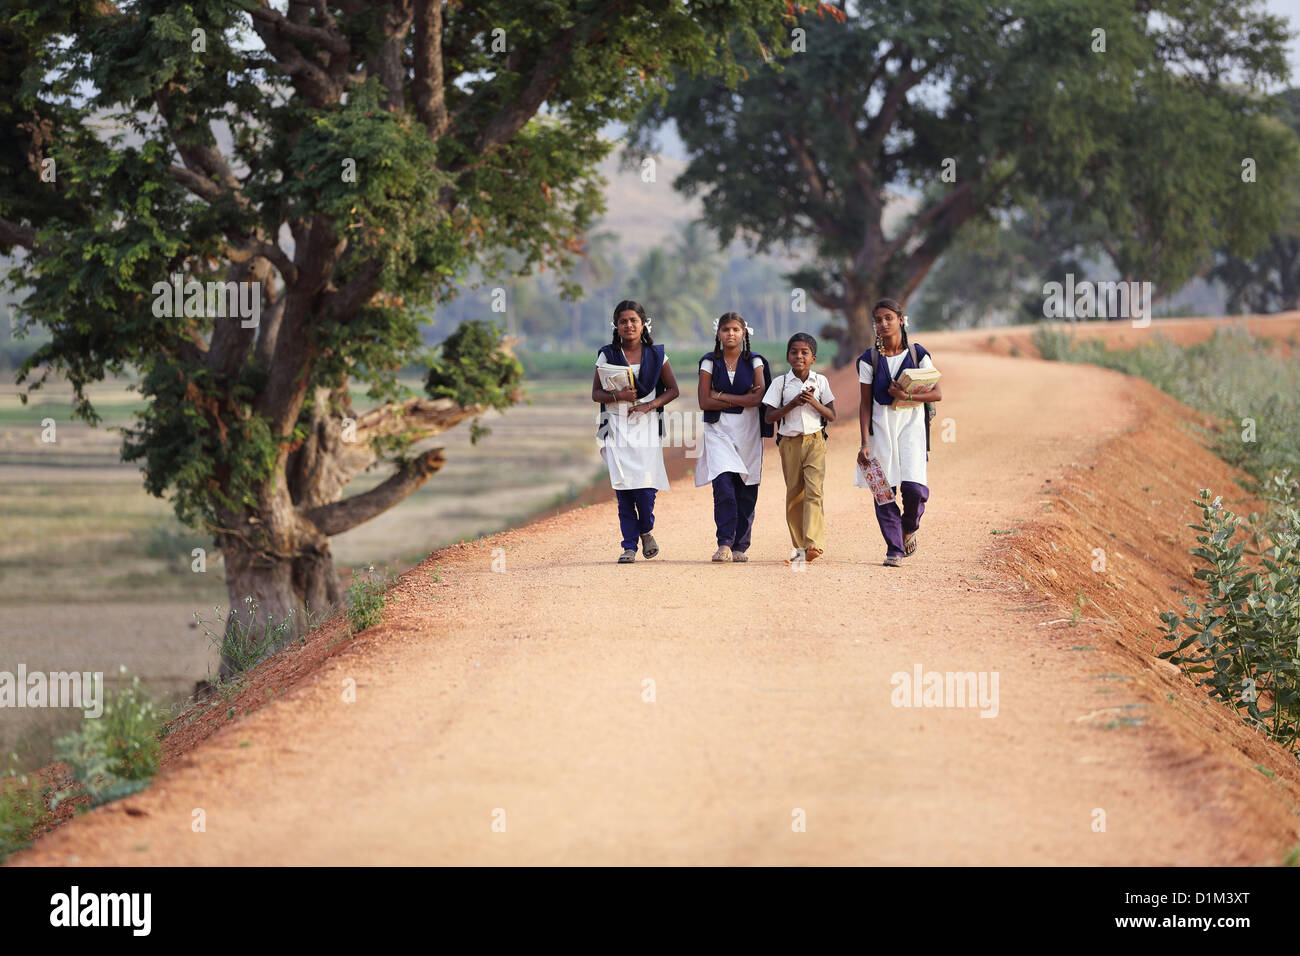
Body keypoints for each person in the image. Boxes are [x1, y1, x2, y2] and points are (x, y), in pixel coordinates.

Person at [854, 297, 942, 567]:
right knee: (883, 491)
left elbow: (936, 393)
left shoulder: (918, 355)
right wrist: (864, 442)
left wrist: (905, 395)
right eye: (878, 320)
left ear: (901, 320)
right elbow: (865, 403)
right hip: (881, 428)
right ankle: (894, 548)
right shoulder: (868, 360)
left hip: (912, 427)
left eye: (888, 318)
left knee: (915, 489)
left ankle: (908, 527)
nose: (882, 324)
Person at [592, 299, 681, 563]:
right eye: (623, 321)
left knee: (644, 488)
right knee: (623, 489)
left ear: (643, 324)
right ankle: (629, 546)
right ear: (616, 326)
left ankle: (646, 529)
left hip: (647, 426)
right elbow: (596, 393)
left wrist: (649, 405)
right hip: (616, 427)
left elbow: (673, 390)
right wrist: (617, 395)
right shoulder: (607, 354)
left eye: (633, 320)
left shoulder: (656, 355)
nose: (628, 325)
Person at [696, 312, 769, 563]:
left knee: (746, 488)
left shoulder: (756, 361)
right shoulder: (708, 362)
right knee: (723, 485)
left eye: (736, 329)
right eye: (726, 329)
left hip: (749, 430)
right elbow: (703, 400)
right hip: (718, 430)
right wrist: (740, 399)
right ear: (718, 333)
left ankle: (740, 545)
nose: (731, 334)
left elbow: (757, 399)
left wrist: (720, 396)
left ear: (744, 333)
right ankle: (724, 543)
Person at [762, 332, 835, 564]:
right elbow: (769, 417)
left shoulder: (820, 382)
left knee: (814, 490)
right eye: (794, 352)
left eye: (805, 353)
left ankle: (814, 543)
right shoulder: (780, 383)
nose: (799, 356)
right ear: (787, 356)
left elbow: (832, 414)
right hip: (789, 443)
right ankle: (800, 547)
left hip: (815, 441)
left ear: (813, 358)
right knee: (795, 493)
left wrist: (813, 402)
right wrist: (792, 403)